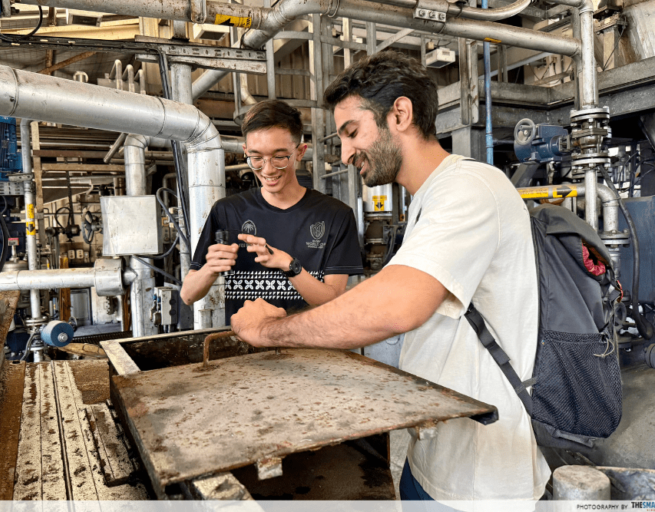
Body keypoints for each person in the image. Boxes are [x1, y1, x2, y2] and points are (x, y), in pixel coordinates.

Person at [230, 52, 551, 504]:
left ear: (399, 113)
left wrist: (266, 332)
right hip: (435, 458)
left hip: (480, 482)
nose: (343, 154)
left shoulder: (471, 188)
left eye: (351, 132)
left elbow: (396, 305)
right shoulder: (428, 199)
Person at [180, 99, 363, 325]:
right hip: (247, 352)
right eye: (256, 158)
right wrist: (210, 268)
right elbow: (188, 295)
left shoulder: (335, 215)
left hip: (314, 351)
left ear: (299, 152)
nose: (267, 169)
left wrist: (290, 265)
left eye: (279, 157)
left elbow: (334, 301)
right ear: (245, 151)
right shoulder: (227, 211)